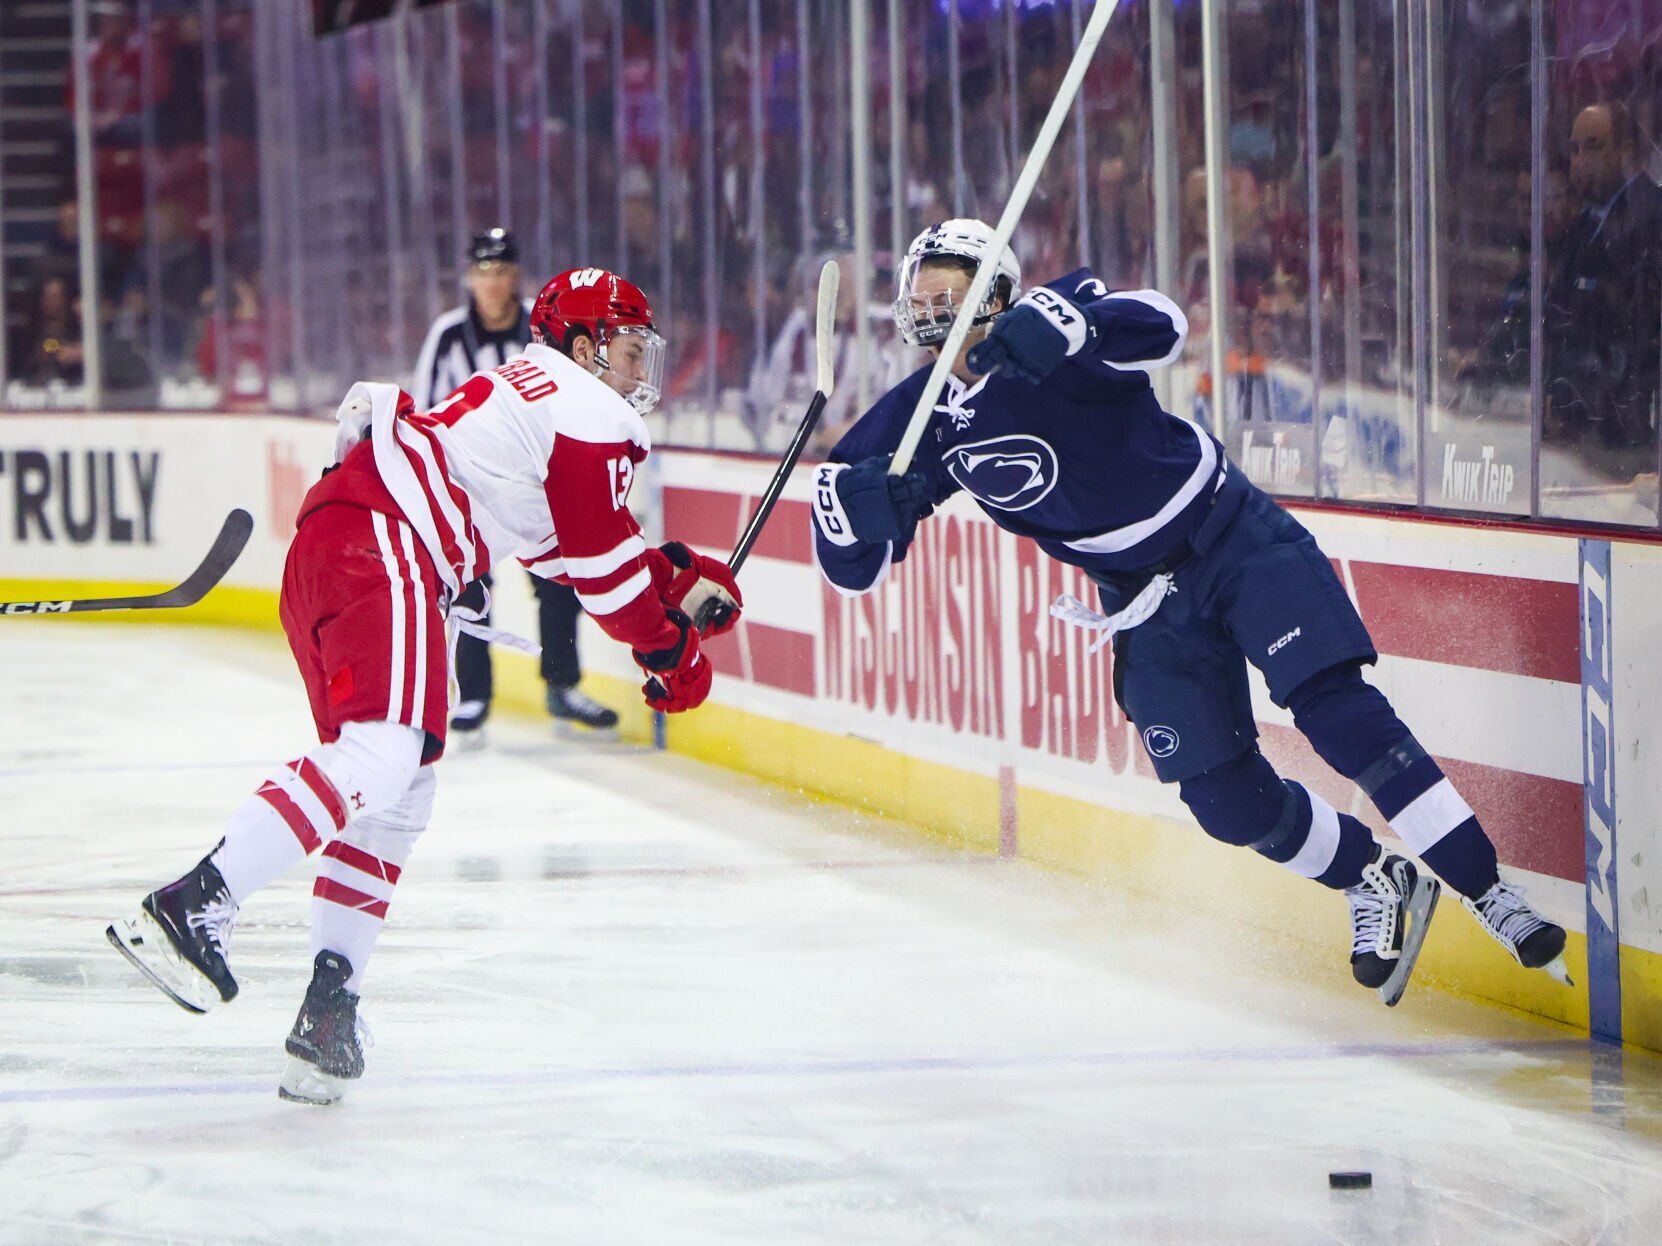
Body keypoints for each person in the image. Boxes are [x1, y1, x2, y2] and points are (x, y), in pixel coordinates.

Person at [813, 219, 1569, 1004]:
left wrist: (1079, 326)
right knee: (1222, 797)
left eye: (955, 290)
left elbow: (1165, 328)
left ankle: (1488, 891)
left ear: (998, 290)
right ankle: (1372, 876)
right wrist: (852, 511)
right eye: (923, 294)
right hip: (1142, 604)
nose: (937, 308)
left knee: (1338, 713)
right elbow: (851, 571)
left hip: (1231, 538)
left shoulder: (1052, 318)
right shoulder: (915, 423)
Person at [107, 267, 742, 1104]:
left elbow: (566, 549)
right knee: (383, 752)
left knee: (398, 785)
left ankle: (327, 1010)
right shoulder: (592, 408)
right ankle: (197, 901)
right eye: (627, 352)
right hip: (387, 545)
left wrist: (676, 578)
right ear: (586, 348)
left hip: (346, 540)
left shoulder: (535, 394)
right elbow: (598, 571)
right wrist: (670, 653)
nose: (638, 373)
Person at [413, 228, 621, 742]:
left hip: (540, 482)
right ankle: (475, 694)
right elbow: (423, 407)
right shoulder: (447, 335)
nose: (492, 282)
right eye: (483, 271)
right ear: (468, 278)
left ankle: (562, 686)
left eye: (501, 270)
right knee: (468, 588)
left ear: (515, 275)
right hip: (468, 485)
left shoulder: (543, 326)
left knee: (559, 581)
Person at [1544, 102, 1662, 480]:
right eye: (1575, 150)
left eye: (1593, 147)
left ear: (1627, 152)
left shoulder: (1649, 219)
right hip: (1586, 430)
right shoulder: (1582, 228)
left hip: (1627, 440)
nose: (1579, 161)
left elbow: (1635, 326)